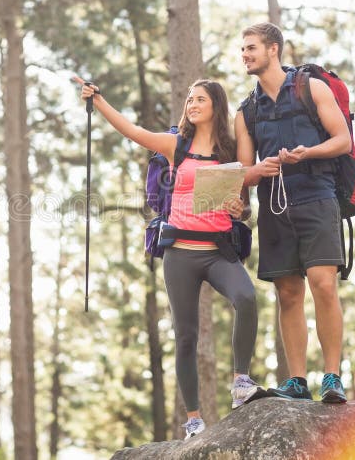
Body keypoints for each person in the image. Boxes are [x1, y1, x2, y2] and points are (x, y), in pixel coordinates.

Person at [76, 76, 259, 439]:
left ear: (215, 106)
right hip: (180, 256)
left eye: (200, 99)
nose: (192, 104)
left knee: (247, 297)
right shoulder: (177, 145)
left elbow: (242, 206)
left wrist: (239, 208)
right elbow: (132, 130)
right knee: (186, 337)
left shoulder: (231, 152)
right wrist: (98, 101)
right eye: (190, 99)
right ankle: (193, 420)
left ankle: (241, 381)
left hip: (218, 252)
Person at [234, 22, 351, 404]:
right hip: (274, 203)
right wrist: (258, 170)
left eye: (251, 48)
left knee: (323, 283)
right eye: (243, 50)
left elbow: (342, 140)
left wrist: (309, 152)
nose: (245, 55)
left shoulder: (310, 87)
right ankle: (297, 381)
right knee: (287, 293)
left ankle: (332, 377)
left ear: (273, 49)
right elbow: (243, 171)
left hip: (317, 195)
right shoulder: (247, 111)